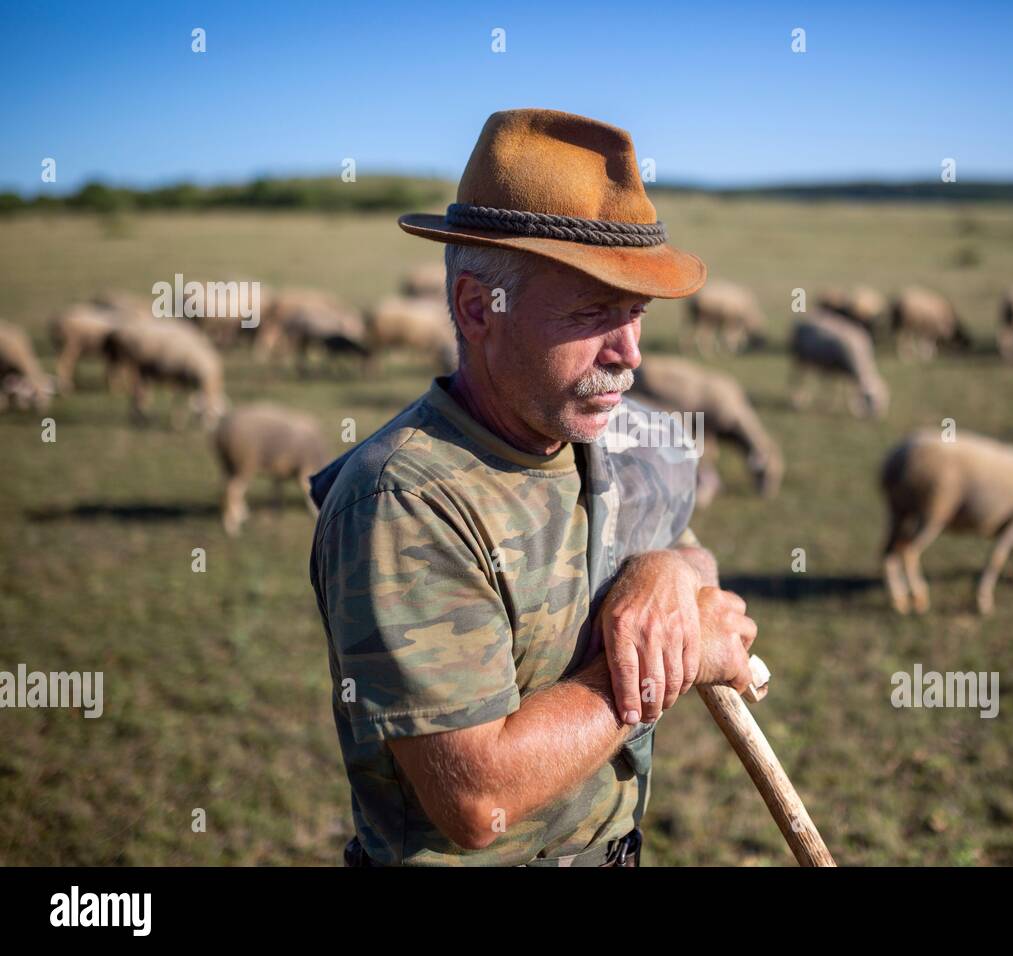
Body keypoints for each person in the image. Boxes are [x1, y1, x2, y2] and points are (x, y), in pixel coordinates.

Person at [309, 108, 759, 866]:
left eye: (636, 314)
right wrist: (666, 666)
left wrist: (666, 575)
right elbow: (476, 800)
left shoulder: (606, 427)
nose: (630, 355)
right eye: (592, 314)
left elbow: (690, 552)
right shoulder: (408, 501)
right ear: (477, 309)